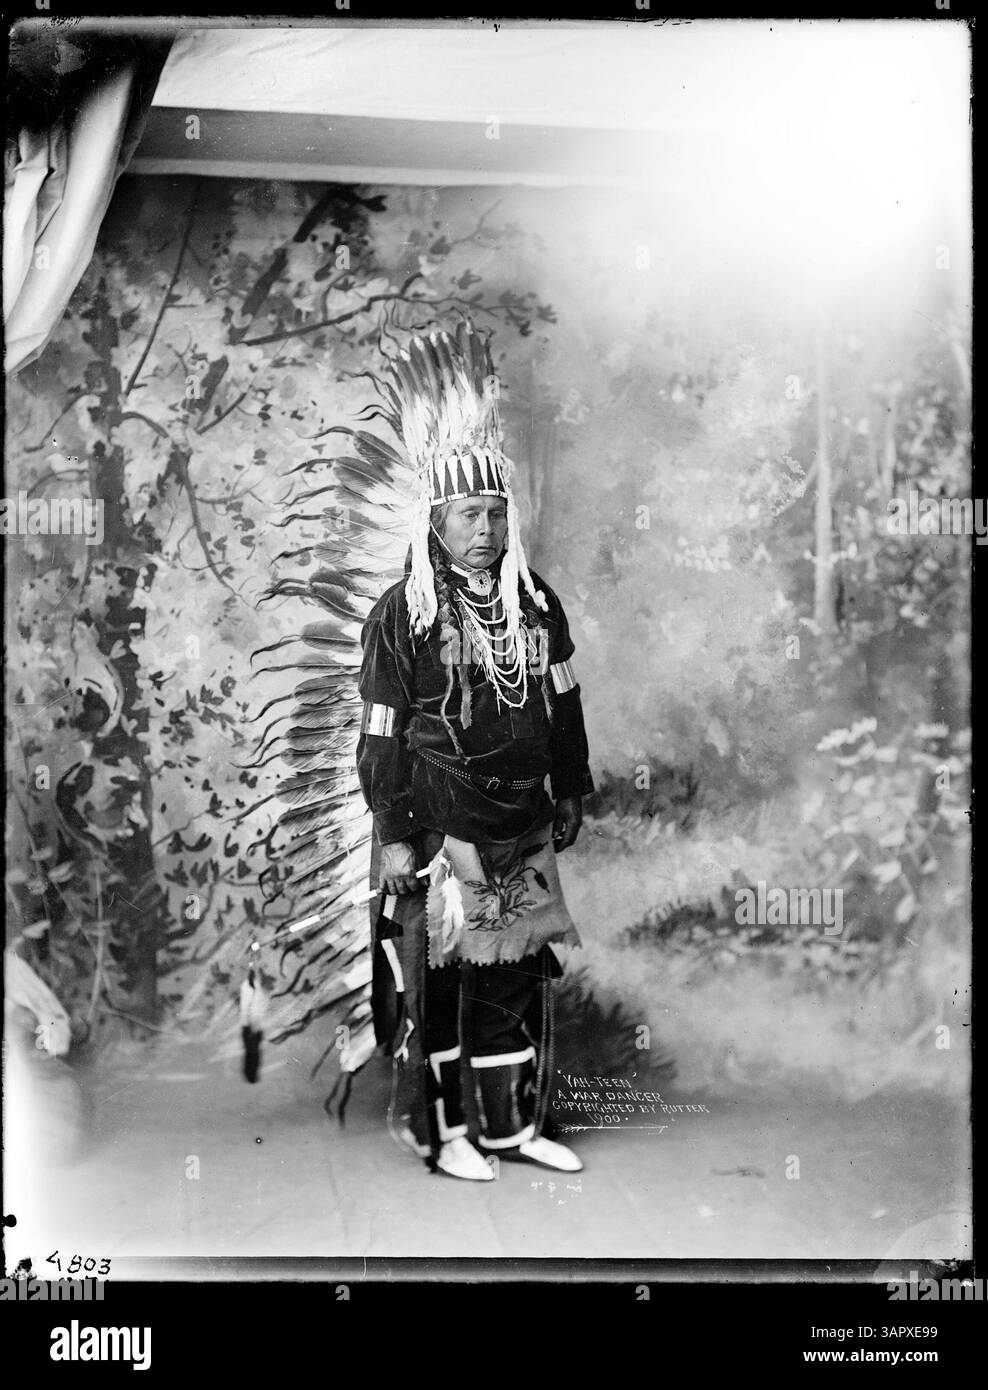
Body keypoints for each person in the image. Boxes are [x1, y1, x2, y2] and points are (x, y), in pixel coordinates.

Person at [356, 323, 594, 1181]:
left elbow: (563, 702)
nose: (487, 528)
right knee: (444, 984)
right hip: (435, 825)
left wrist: (569, 787)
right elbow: (379, 733)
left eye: (497, 513)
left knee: (515, 974)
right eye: (470, 514)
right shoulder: (403, 613)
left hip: (519, 821)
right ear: (438, 521)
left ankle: (509, 1128)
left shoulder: (535, 605)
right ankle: (448, 1131)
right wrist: (391, 832)